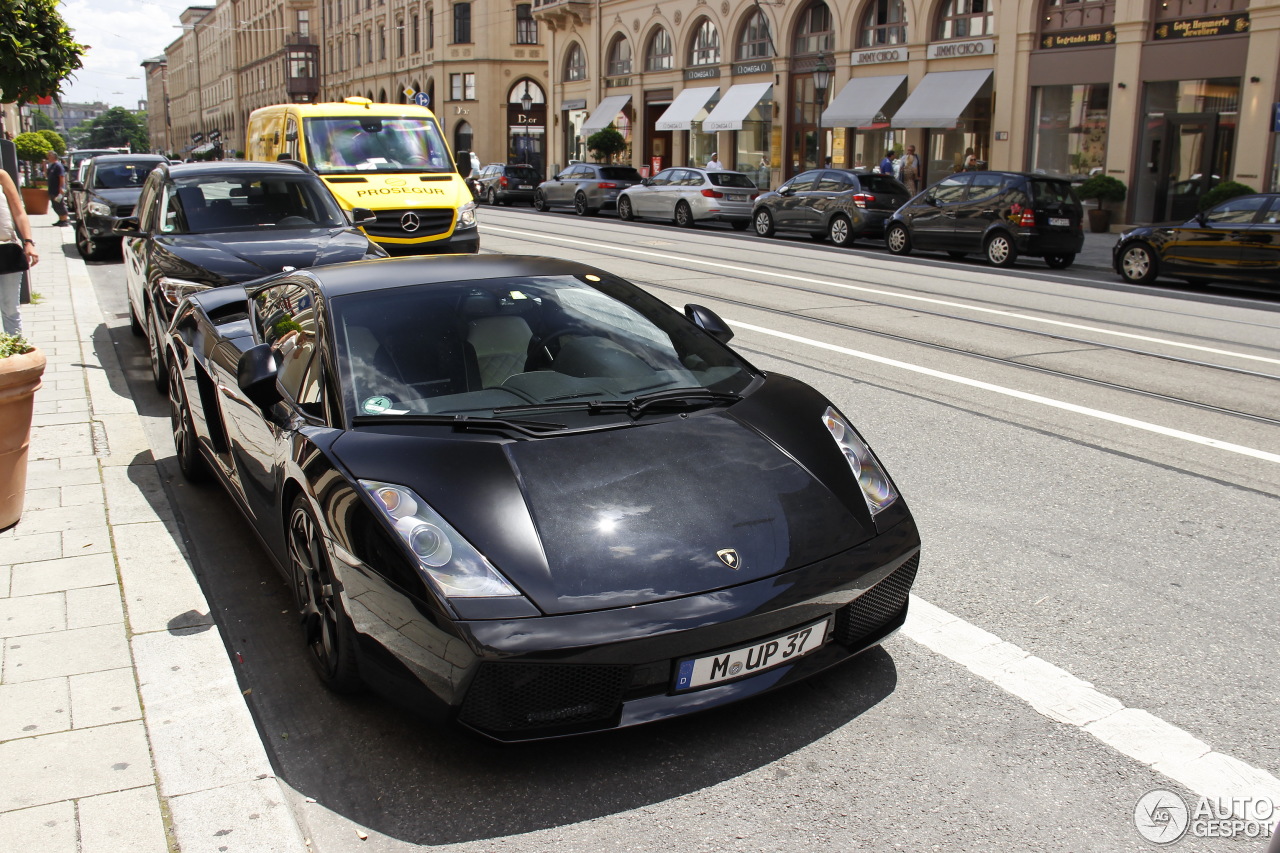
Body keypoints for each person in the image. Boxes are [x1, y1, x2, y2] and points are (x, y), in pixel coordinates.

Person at [0, 168, 40, 335]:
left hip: (6, 248)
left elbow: (18, 211)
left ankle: (16, 350)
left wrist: (28, 242)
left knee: (10, 307)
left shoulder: (1, 175)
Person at [45, 150, 69, 226]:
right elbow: (46, 175)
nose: (48, 157)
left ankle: (65, 220)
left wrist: (61, 188)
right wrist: (44, 165)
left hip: (58, 190)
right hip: (52, 189)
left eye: (49, 156)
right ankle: (61, 219)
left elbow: (61, 177)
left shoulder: (58, 165)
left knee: (60, 204)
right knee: (55, 205)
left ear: (53, 156)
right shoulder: (51, 166)